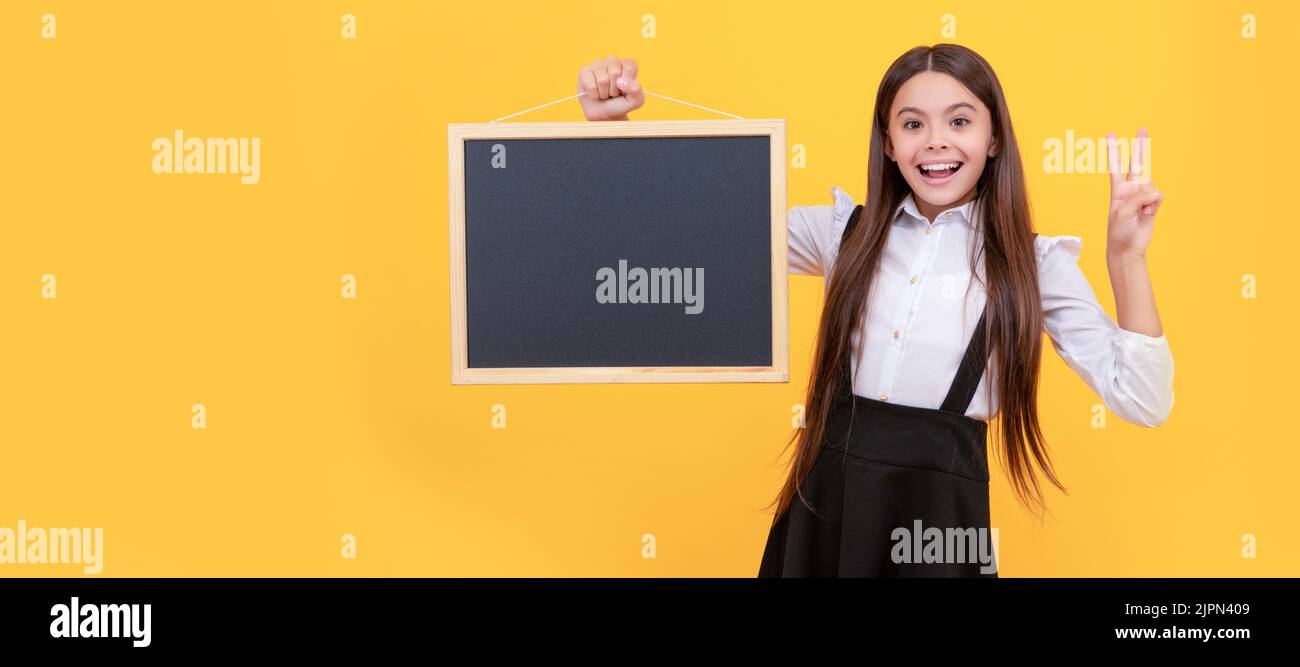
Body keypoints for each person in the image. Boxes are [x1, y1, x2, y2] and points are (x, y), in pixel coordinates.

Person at [576, 46, 1173, 577]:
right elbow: (689, 231)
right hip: (825, 501)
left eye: (959, 122)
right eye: (912, 124)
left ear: (993, 140)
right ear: (889, 144)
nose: (935, 141)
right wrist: (616, 127)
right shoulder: (843, 233)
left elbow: (1144, 399)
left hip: (941, 529)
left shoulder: (1033, 263)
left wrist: (1126, 259)